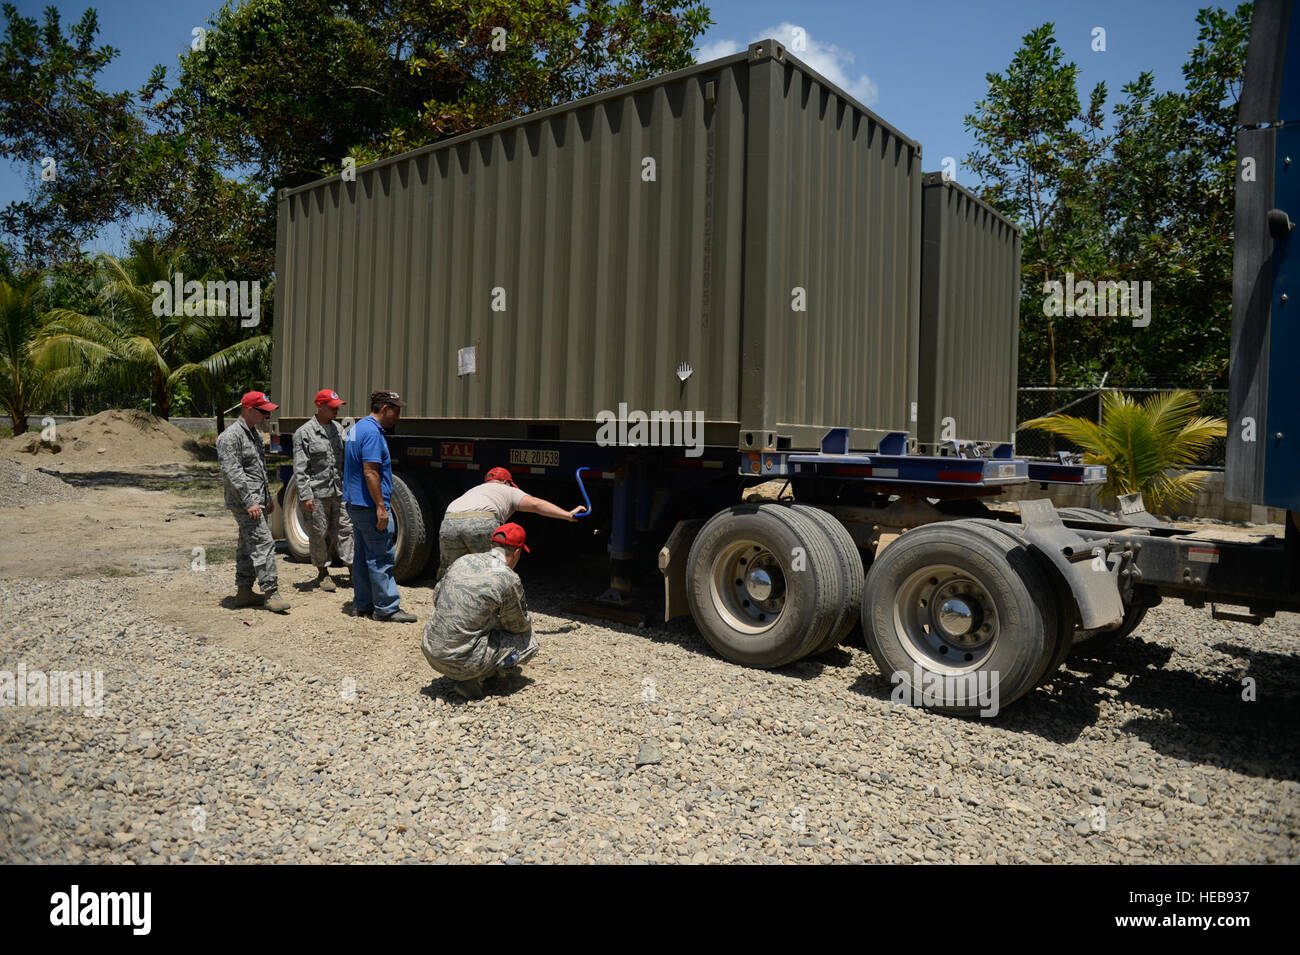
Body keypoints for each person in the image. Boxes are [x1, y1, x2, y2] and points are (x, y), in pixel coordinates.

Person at [422, 523, 538, 700]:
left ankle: (471, 669)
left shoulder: (463, 561)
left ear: (492, 546)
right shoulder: (508, 577)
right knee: (529, 642)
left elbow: (437, 598)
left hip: (430, 649)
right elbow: (518, 625)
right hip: (463, 661)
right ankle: (474, 677)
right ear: (516, 552)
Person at [343, 389, 416, 623]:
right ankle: (387, 608)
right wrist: (381, 507)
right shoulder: (373, 434)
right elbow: (370, 472)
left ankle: (362, 604)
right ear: (384, 409)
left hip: (356, 504)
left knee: (363, 556)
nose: (398, 417)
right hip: (368, 505)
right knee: (381, 557)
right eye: (396, 411)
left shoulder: (358, 428)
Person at [437, 466, 587, 579]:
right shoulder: (507, 489)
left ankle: (446, 612)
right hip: (480, 521)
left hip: (449, 523)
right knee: (492, 572)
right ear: (505, 481)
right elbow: (535, 504)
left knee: (452, 573)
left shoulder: (475, 489)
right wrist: (567, 514)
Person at [217, 391, 289, 613]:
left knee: (247, 545)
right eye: (263, 412)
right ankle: (271, 592)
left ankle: (244, 592)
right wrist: (250, 502)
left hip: (256, 501)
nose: (267, 416)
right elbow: (234, 474)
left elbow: (257, 470)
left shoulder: (254, 434)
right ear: (249, 410)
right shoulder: (230, 437)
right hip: (244, 502)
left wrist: (266, 499)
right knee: (264, 542)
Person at [292, 388, 354, 592]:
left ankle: (353, 570)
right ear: (319, 406)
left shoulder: (338, 429)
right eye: (332, 407)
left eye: (338, 407)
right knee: (319, 532)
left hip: (340, 491)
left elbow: (348, 457)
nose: (336, 411)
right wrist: (305, 495)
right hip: (317, 493)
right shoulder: (304, 433)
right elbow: (300, 468)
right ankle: (323, 572)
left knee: (346, 530)